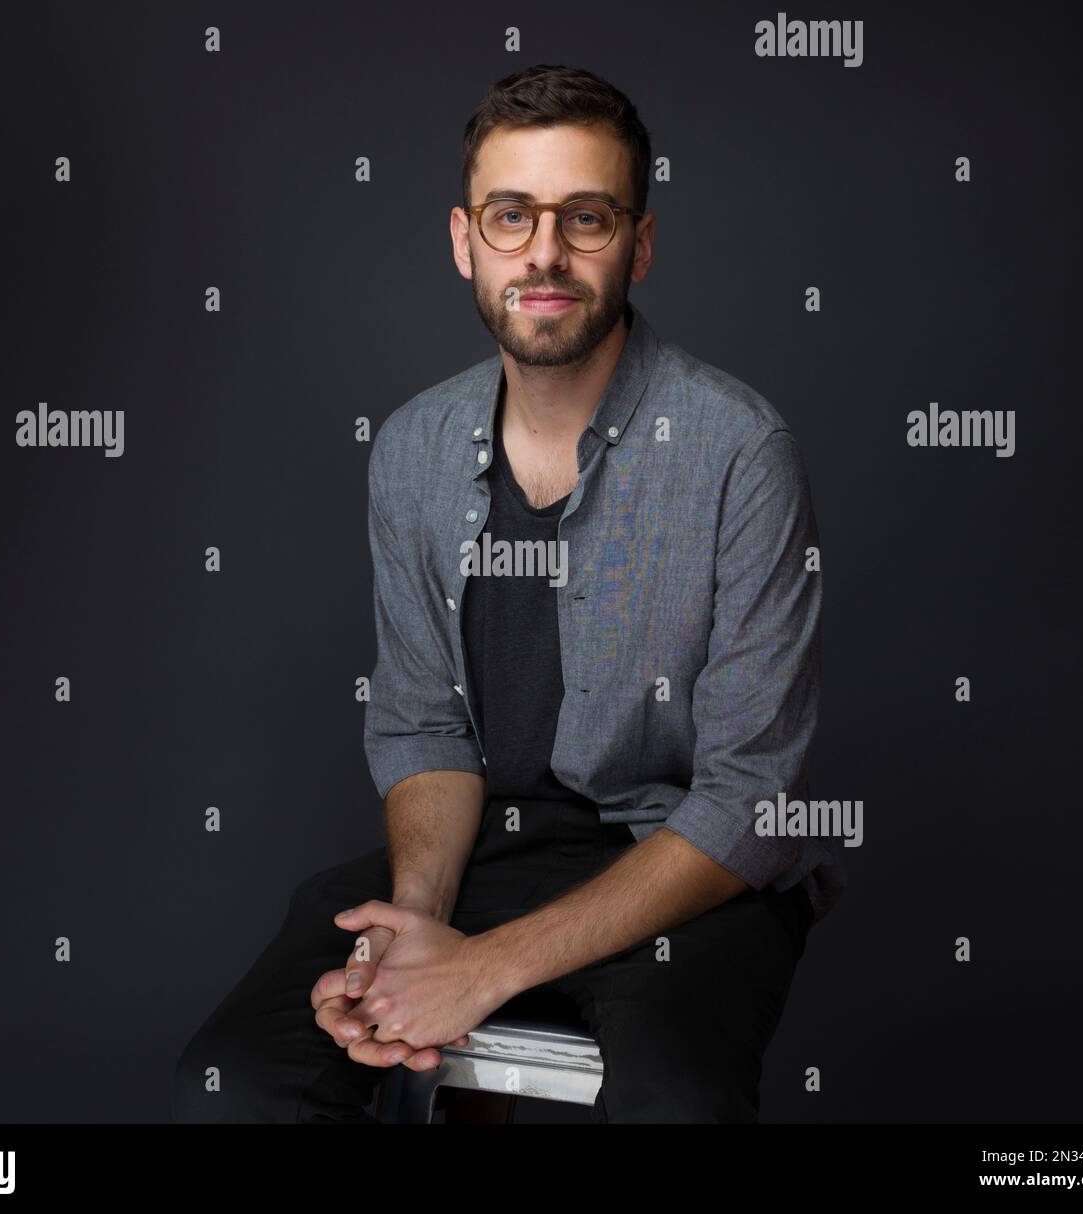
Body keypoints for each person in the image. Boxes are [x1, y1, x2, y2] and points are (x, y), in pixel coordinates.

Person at [172, 62, 846, 1125]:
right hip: (486, 849)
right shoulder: (410, 448)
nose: (544, 251)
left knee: (674, 1099)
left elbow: (752, 803)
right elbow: (424, 723)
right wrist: (417, 925)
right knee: (236, 1088)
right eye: (510, 215)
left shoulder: (737, 449)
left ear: (640, 242)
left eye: (586, 216)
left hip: (679, 865)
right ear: (463, 239)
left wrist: (480, 969)